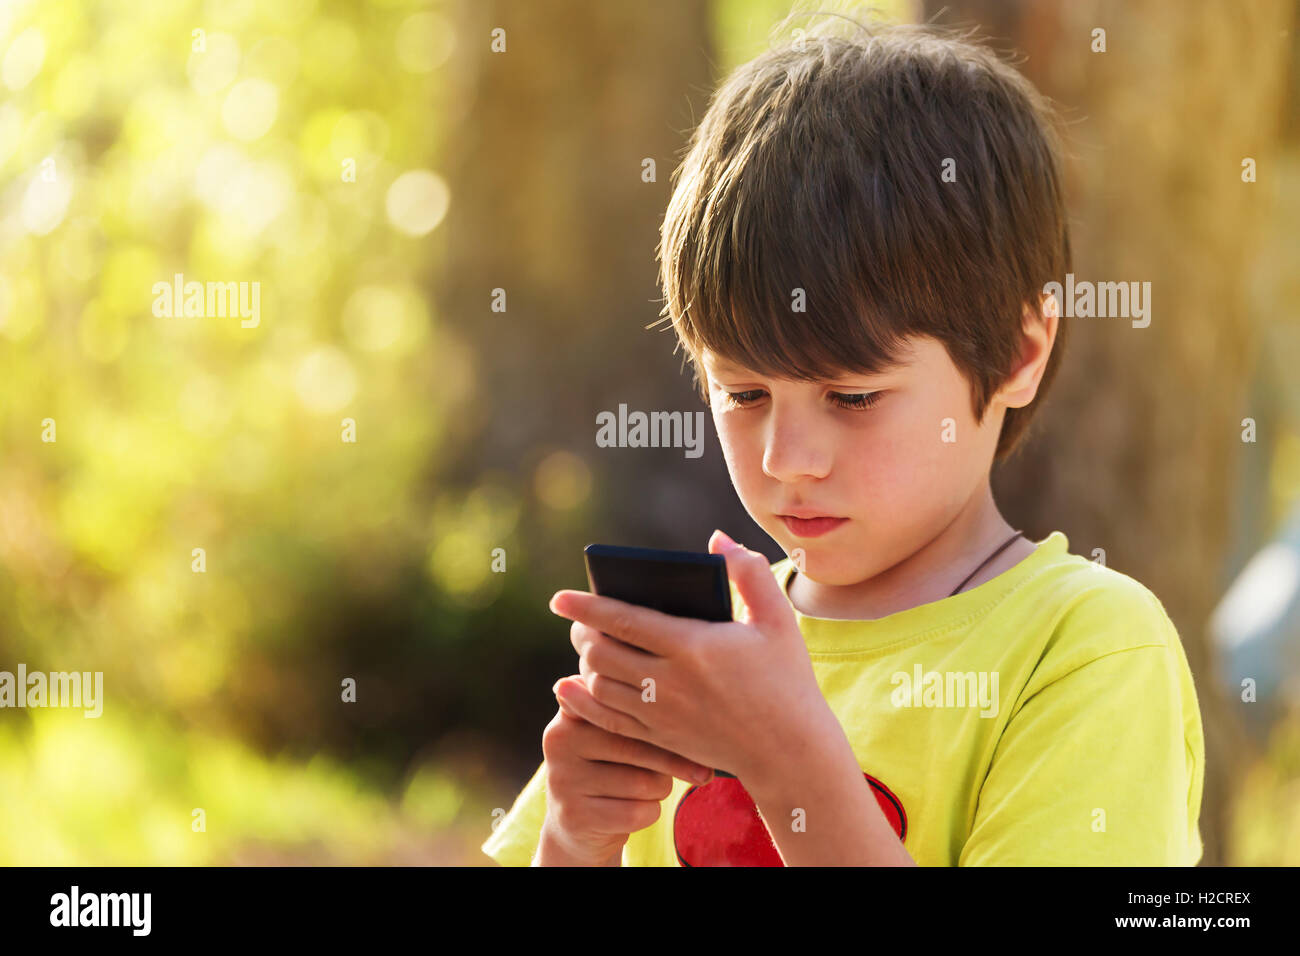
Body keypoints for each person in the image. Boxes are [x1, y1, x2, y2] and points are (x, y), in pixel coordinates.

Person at [483, 16, 1204, 866]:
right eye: (743, 392)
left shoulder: (1086, 648)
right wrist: (574, 838)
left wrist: (786, 766)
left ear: (1019, 354)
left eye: (853, 396)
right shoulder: (705, 657)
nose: (787, 458)